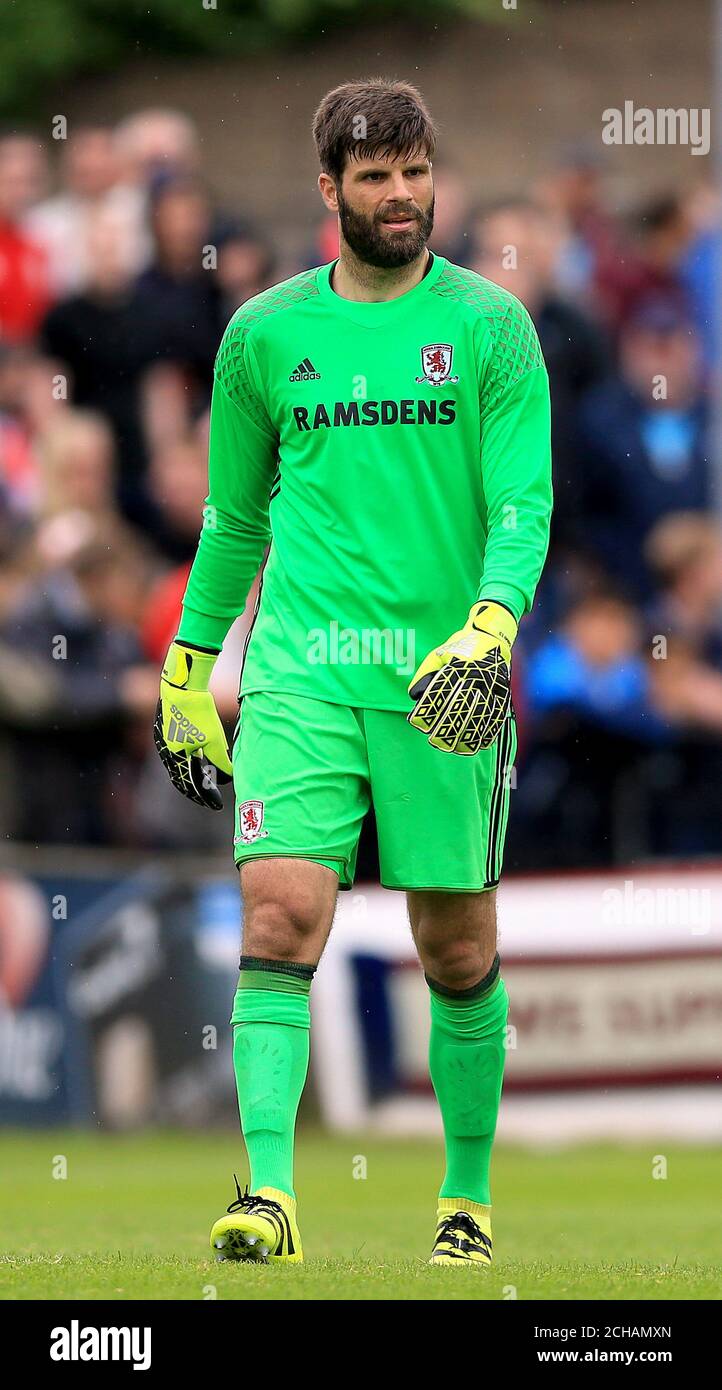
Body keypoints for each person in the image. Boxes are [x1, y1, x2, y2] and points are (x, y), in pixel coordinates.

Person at [153, 79, 552, 1268]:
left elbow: (521, 503)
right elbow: (233, 520)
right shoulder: (263, 335)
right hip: (301, 671)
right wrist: (186, 664)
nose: (400, 195)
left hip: (444, 681)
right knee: (278, 911)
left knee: (456, 948)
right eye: (374, 176)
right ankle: (267, 1194)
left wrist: (488, 626)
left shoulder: (489, 327)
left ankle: (464, 1200)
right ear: (328, 189)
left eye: (416, 171)